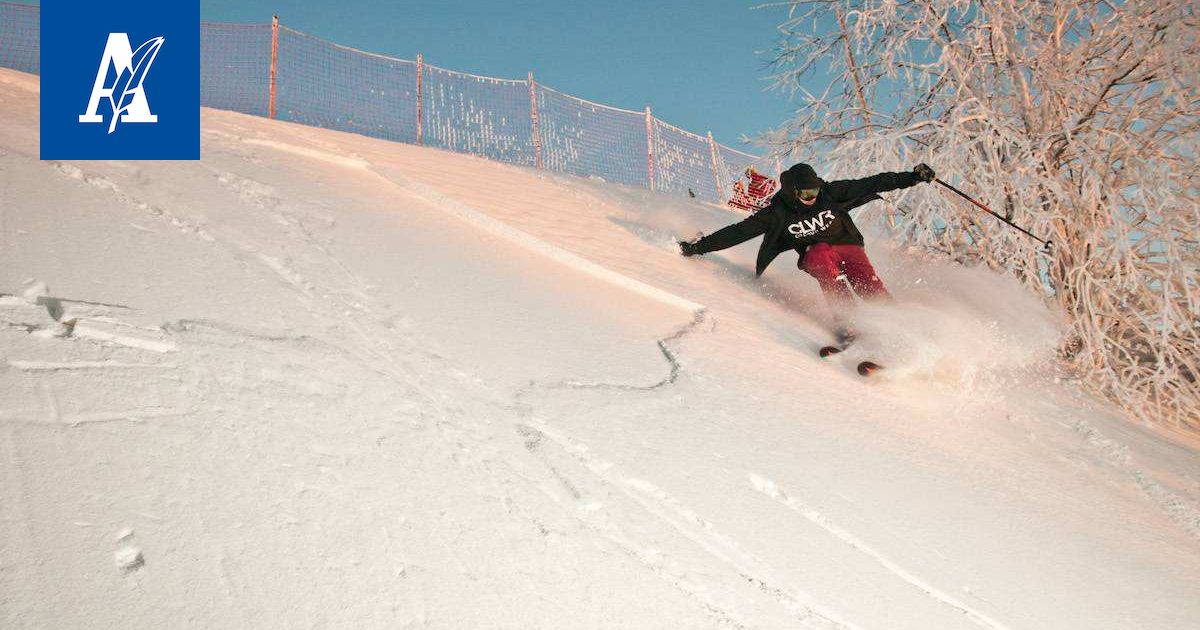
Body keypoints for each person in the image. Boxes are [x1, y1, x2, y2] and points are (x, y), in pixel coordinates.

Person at [680, 161, 936, 334]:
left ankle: (897, 325)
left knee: (867, 282)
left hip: (847, 244)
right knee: (820, 254)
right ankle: (848, 322)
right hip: (817, 254)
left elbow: (873, 182)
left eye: (814, 191)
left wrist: (913, 177)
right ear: (793, 193)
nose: (811, 198)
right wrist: (699, 248)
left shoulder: (829, 192)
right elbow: (737, 232)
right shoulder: (777, 213)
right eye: (805, 194)